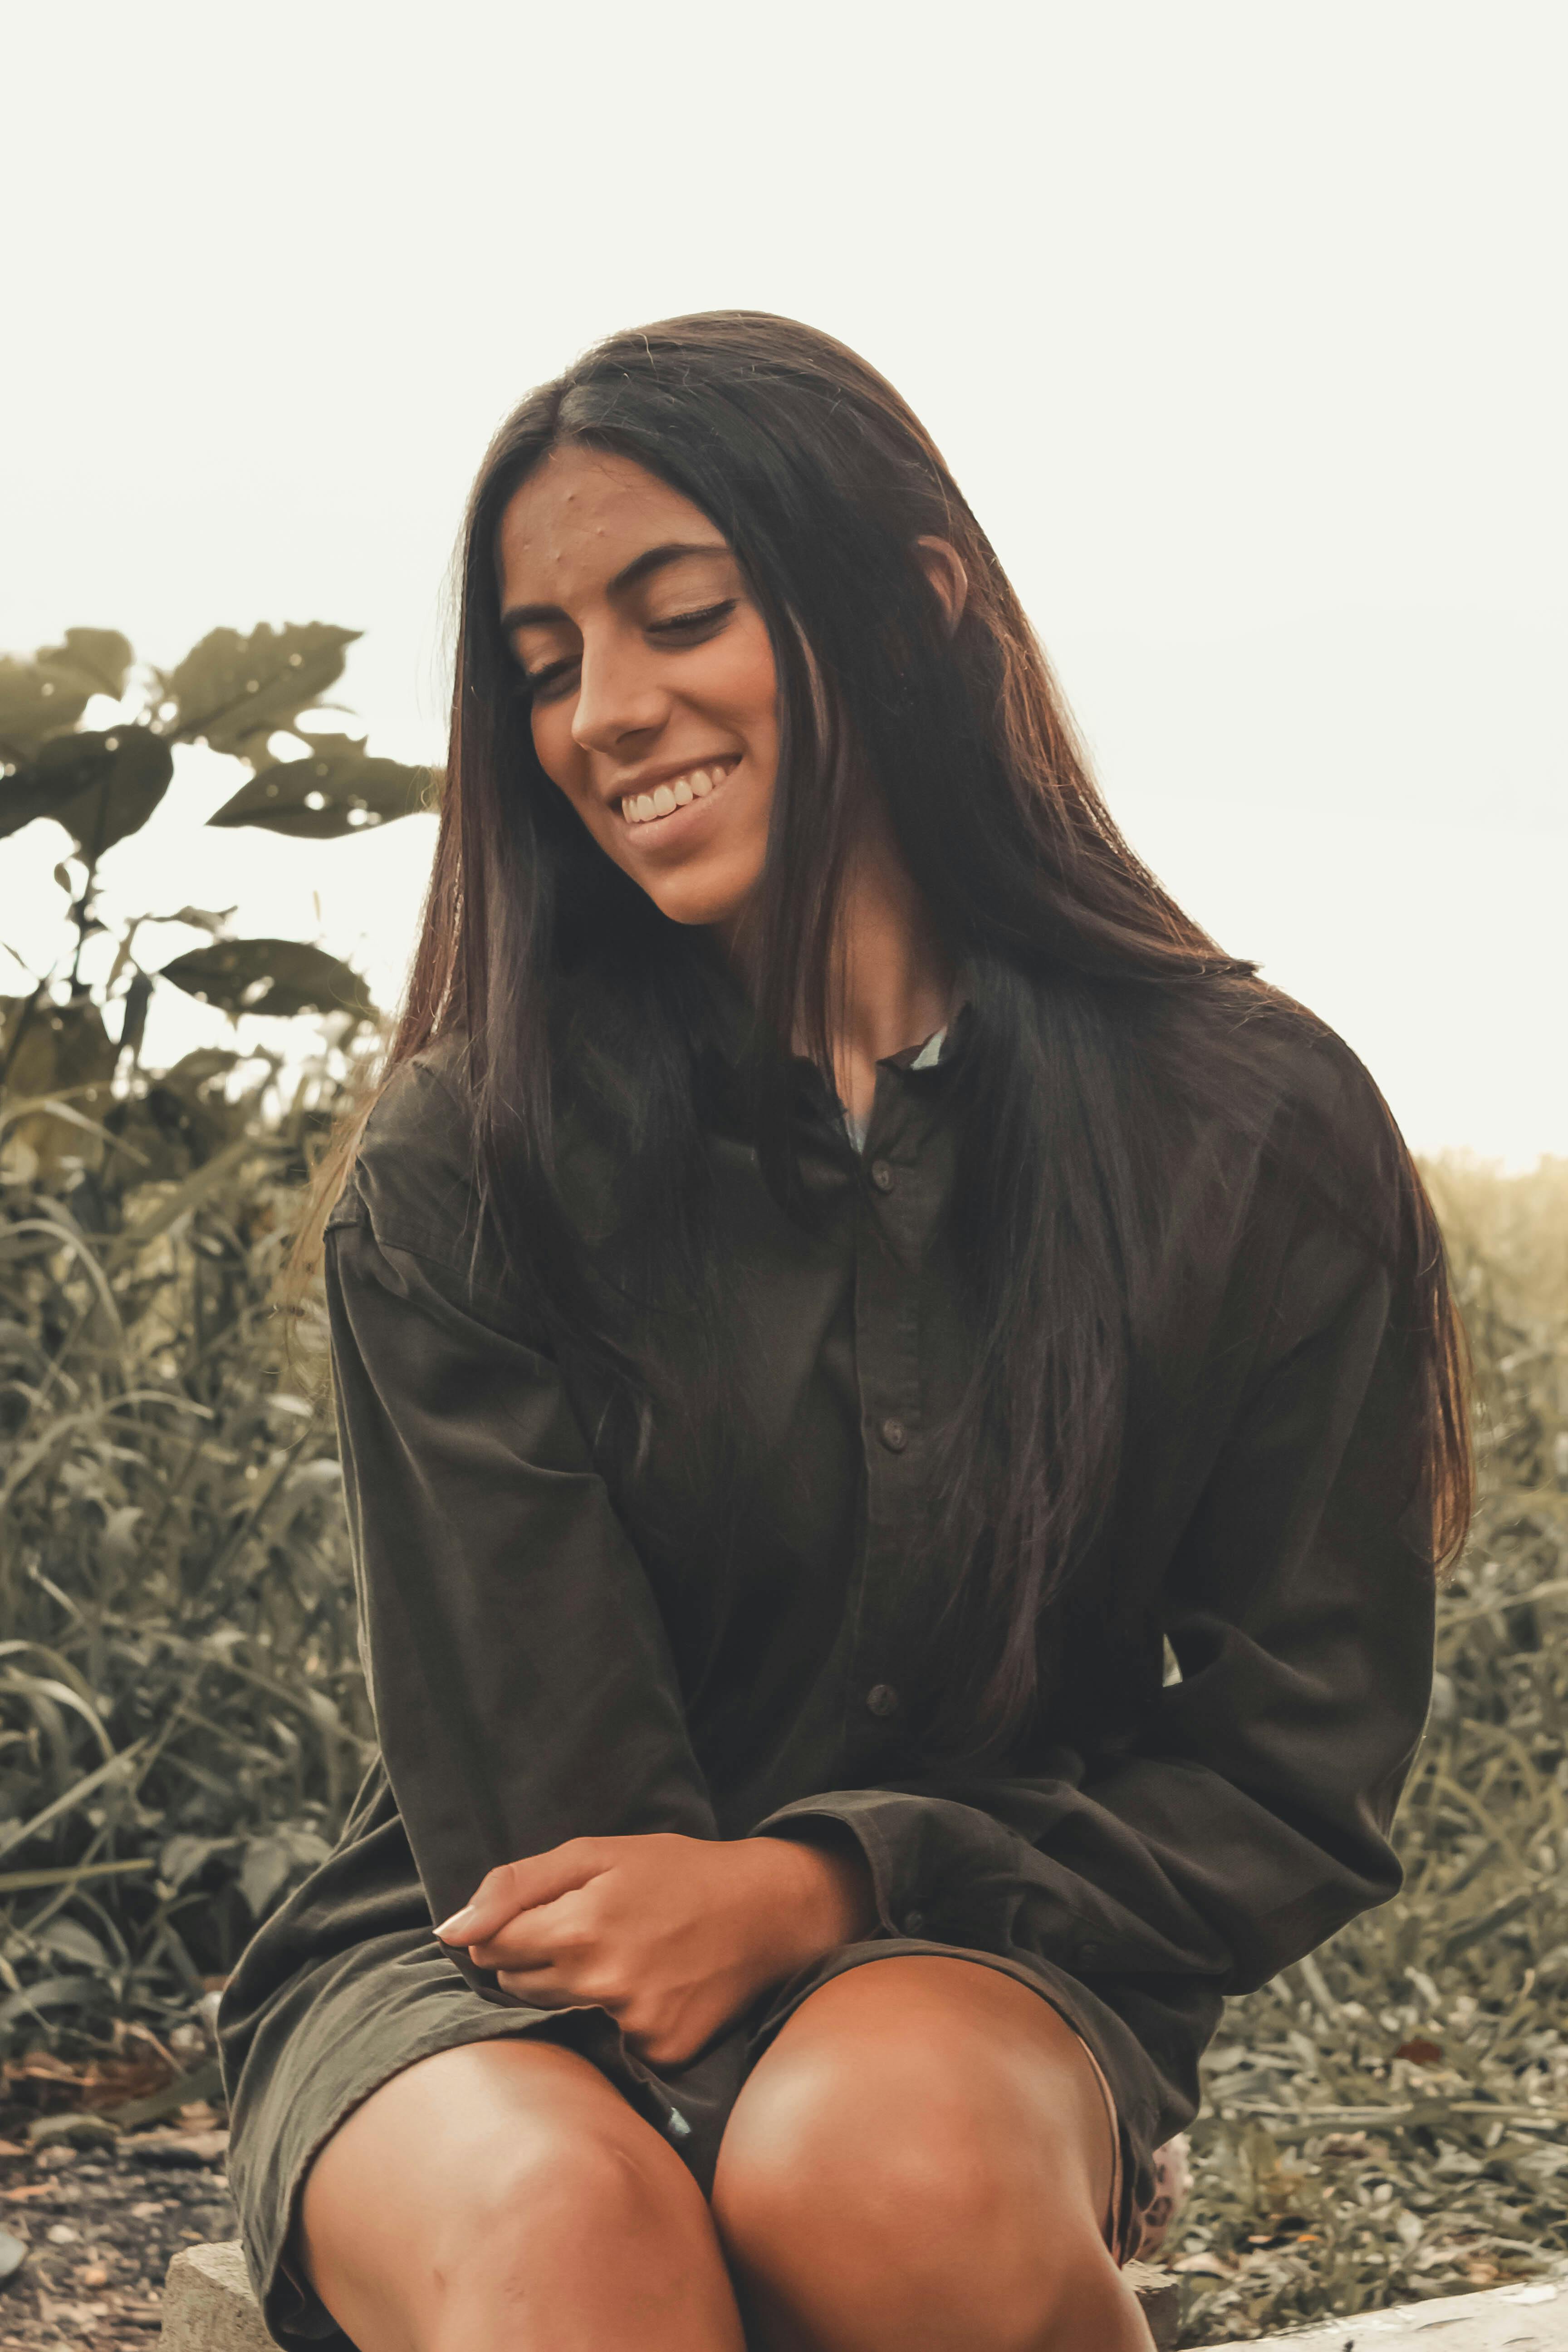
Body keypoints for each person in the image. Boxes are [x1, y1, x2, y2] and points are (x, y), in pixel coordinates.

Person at [218, 311, 1471, 2352]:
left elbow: (1287, 1771)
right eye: (545, 669)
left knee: (882, 2173)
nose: (605, 715)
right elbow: (561, 1829)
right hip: (482, 1979)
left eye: (680, 615)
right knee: (572, 2244)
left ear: (909, 604)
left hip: (983, 1945)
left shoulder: (1255, 1135)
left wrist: (835, 1887)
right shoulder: (472, 1159)